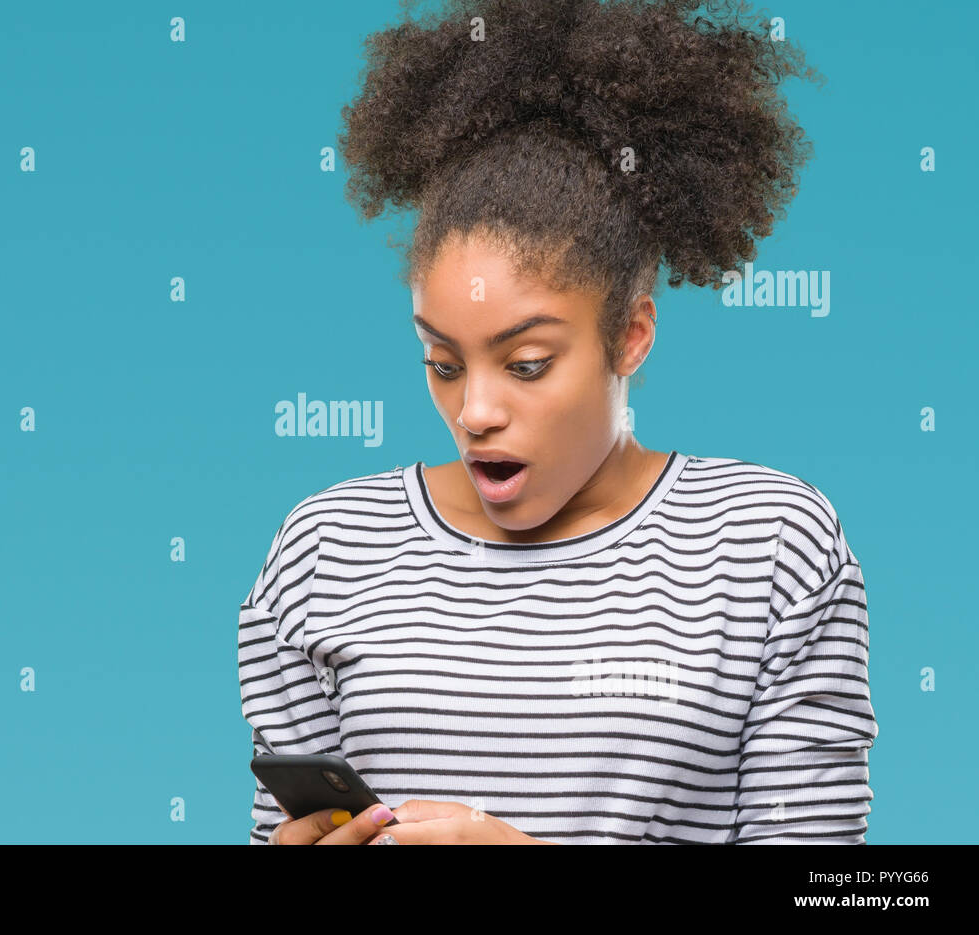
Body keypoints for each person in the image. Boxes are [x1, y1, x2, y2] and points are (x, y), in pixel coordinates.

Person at [238, 0, 875, 844]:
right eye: (443, 363)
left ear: (630, 335)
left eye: (528, 364)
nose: (476, 412)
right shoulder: (325, 549)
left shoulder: (769, 547)